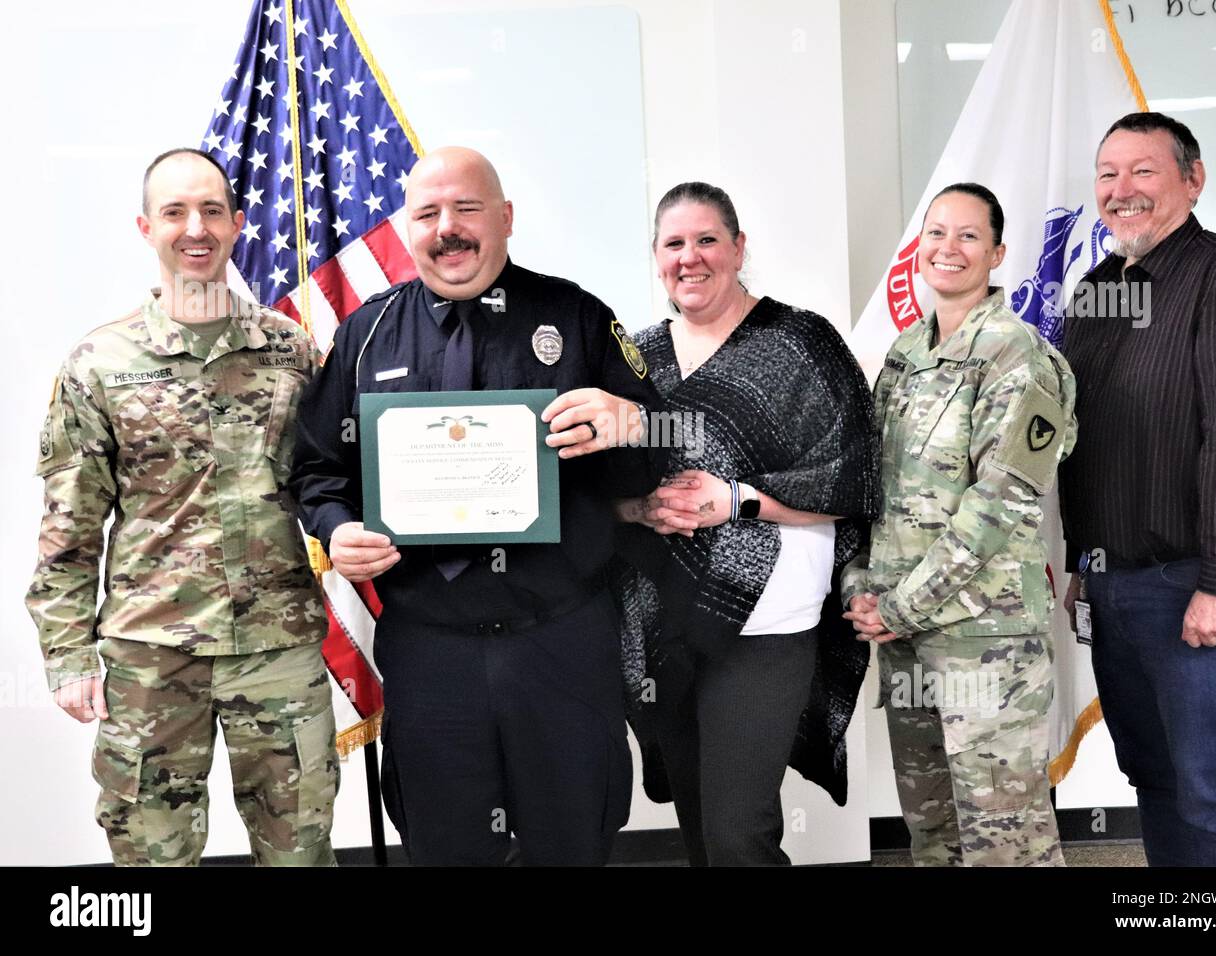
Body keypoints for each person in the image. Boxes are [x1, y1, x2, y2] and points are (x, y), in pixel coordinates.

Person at [290, 146, 666, 866]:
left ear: (505, 218)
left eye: (466, 208)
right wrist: (336, 532)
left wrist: (631, 423)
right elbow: (316, 471)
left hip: (559, 641)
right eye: (428, 212)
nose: (448, 227)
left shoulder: (577, 317)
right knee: (445, 846)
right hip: (431, 648)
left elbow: (650, 466)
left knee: (573, 842)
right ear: (406, 229)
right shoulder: (366, 336)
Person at [26, 148, 336, 866]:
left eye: (211, 210)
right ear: (146, 227)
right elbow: (70, 524)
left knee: (302, 852)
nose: (194, 228)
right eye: (174, 212)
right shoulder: (99, 362)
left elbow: (329, 480)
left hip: (276, 649)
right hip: (150, 658)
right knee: (151, 858)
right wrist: (68, 655)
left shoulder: (291, 350)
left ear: (237, 224)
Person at [1060, 112, 1216, 867]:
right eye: (1107, 174)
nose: (1121, 190)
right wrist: (1080, 561)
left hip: (1201, 581)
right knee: (1156, 782)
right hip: (1117, 585)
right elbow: (1083, 441)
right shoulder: (1097, 292)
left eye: (1143, 172)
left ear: (1193, 182)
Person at [615, 181, 878, 866]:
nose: (691, 258)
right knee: (702, 831)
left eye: (707, 240)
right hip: (665, 621)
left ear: (738, 248)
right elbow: (596, 489)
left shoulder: (801, 342)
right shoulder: (636, 360)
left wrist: (736, 499)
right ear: (656, 256)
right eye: (674, 244)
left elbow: (851, 481)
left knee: (740, 835)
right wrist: (641, 507)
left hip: (766, 626)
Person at [841, 183, 1076, 867]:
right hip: (906, 631)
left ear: (998, 252)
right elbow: (873, 488)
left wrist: (900, 607)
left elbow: (1001, 504)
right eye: (937, 233)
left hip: (985, 640)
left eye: (969, 236)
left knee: (1006, 840)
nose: (949, 248)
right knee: (935, 832)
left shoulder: (1018, 355)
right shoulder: (905, 354)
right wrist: (863, 583)